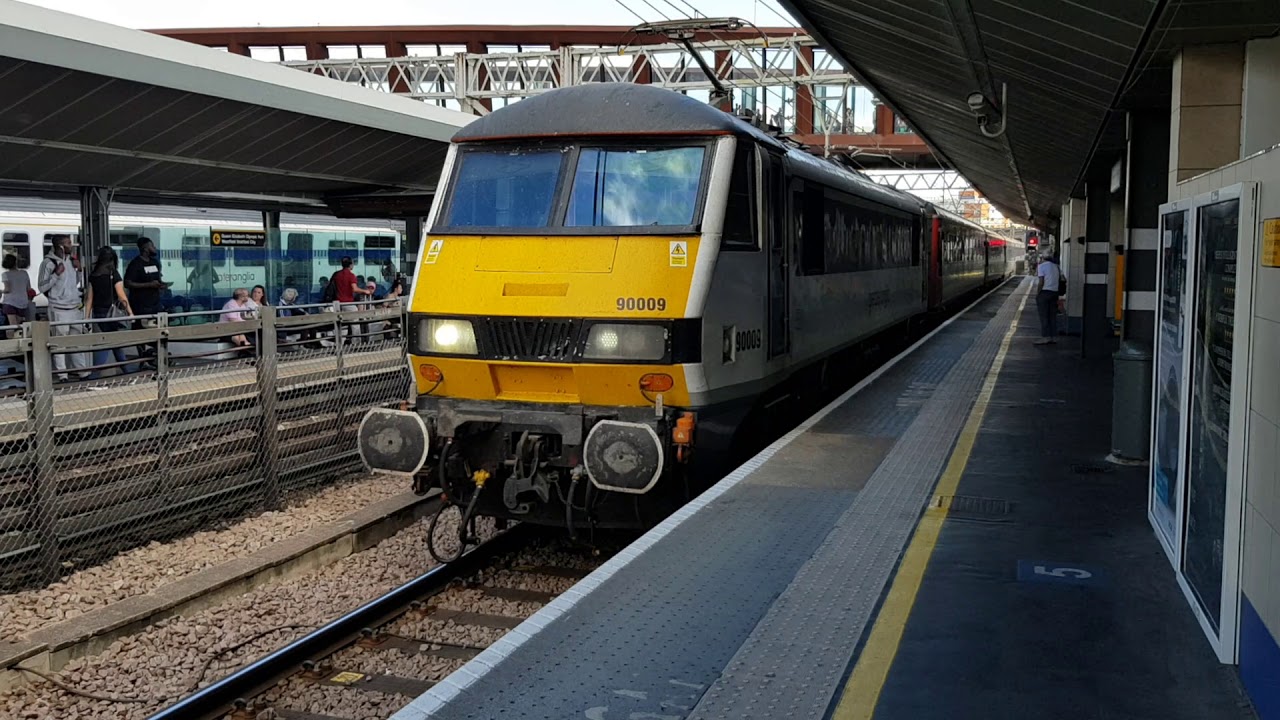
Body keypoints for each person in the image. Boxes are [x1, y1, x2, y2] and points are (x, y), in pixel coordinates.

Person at [38, 234, 89, 380]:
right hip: (58, 309)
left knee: (76, 343)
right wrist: (55, 274)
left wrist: (79, 271)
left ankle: (83, 372)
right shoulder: (48, 263)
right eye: (68, 243)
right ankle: (62, 375)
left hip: (74, 307)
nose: (71, 245)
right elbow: (42, 287)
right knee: (59, 343)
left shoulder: (72, 261)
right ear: (60, 246)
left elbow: (73, 283)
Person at [84, 247, 134, 378]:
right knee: (107, 343)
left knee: (114, 343)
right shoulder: (113, 274)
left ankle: (128, 372)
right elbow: (121, 296)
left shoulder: (94, 275)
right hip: (111, 314)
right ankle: (93, 376)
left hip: (98, 314)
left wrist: (86, 318)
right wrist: (130, 313)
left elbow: (89, 298)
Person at [124, 237, 171, 369]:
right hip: (140, 304)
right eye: (152, 246)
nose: (154, 248)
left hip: (155, 303)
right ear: (145, 248)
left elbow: (157, 277)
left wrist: (161, 284)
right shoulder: (135, 264)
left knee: (158, 330)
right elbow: (127, 283)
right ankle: (143, 359)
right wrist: (148, 285)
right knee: (140, 331)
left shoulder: (155, 262)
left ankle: (157, 357)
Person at [1034, 253, 1063, 345]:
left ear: (1043, 259)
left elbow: (1041, 282)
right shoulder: (1056, 266)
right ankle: (1054, 337)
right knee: (1052, 316)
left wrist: (1038, 293)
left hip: (1045, 293)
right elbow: (1062, 278)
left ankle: (1045, 337)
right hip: (1055, 293)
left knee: (1044, 316)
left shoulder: (1041, 266)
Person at [1, 254, 31, 336]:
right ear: (15, 263)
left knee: (12, 326)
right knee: (18, 326)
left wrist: (1, 291)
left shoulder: (5, 274)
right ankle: (17, 340)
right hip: (22, 303)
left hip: (10, 303)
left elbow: (7, 289)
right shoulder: (24, 273)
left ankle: (10, 344)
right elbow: (28, 288)